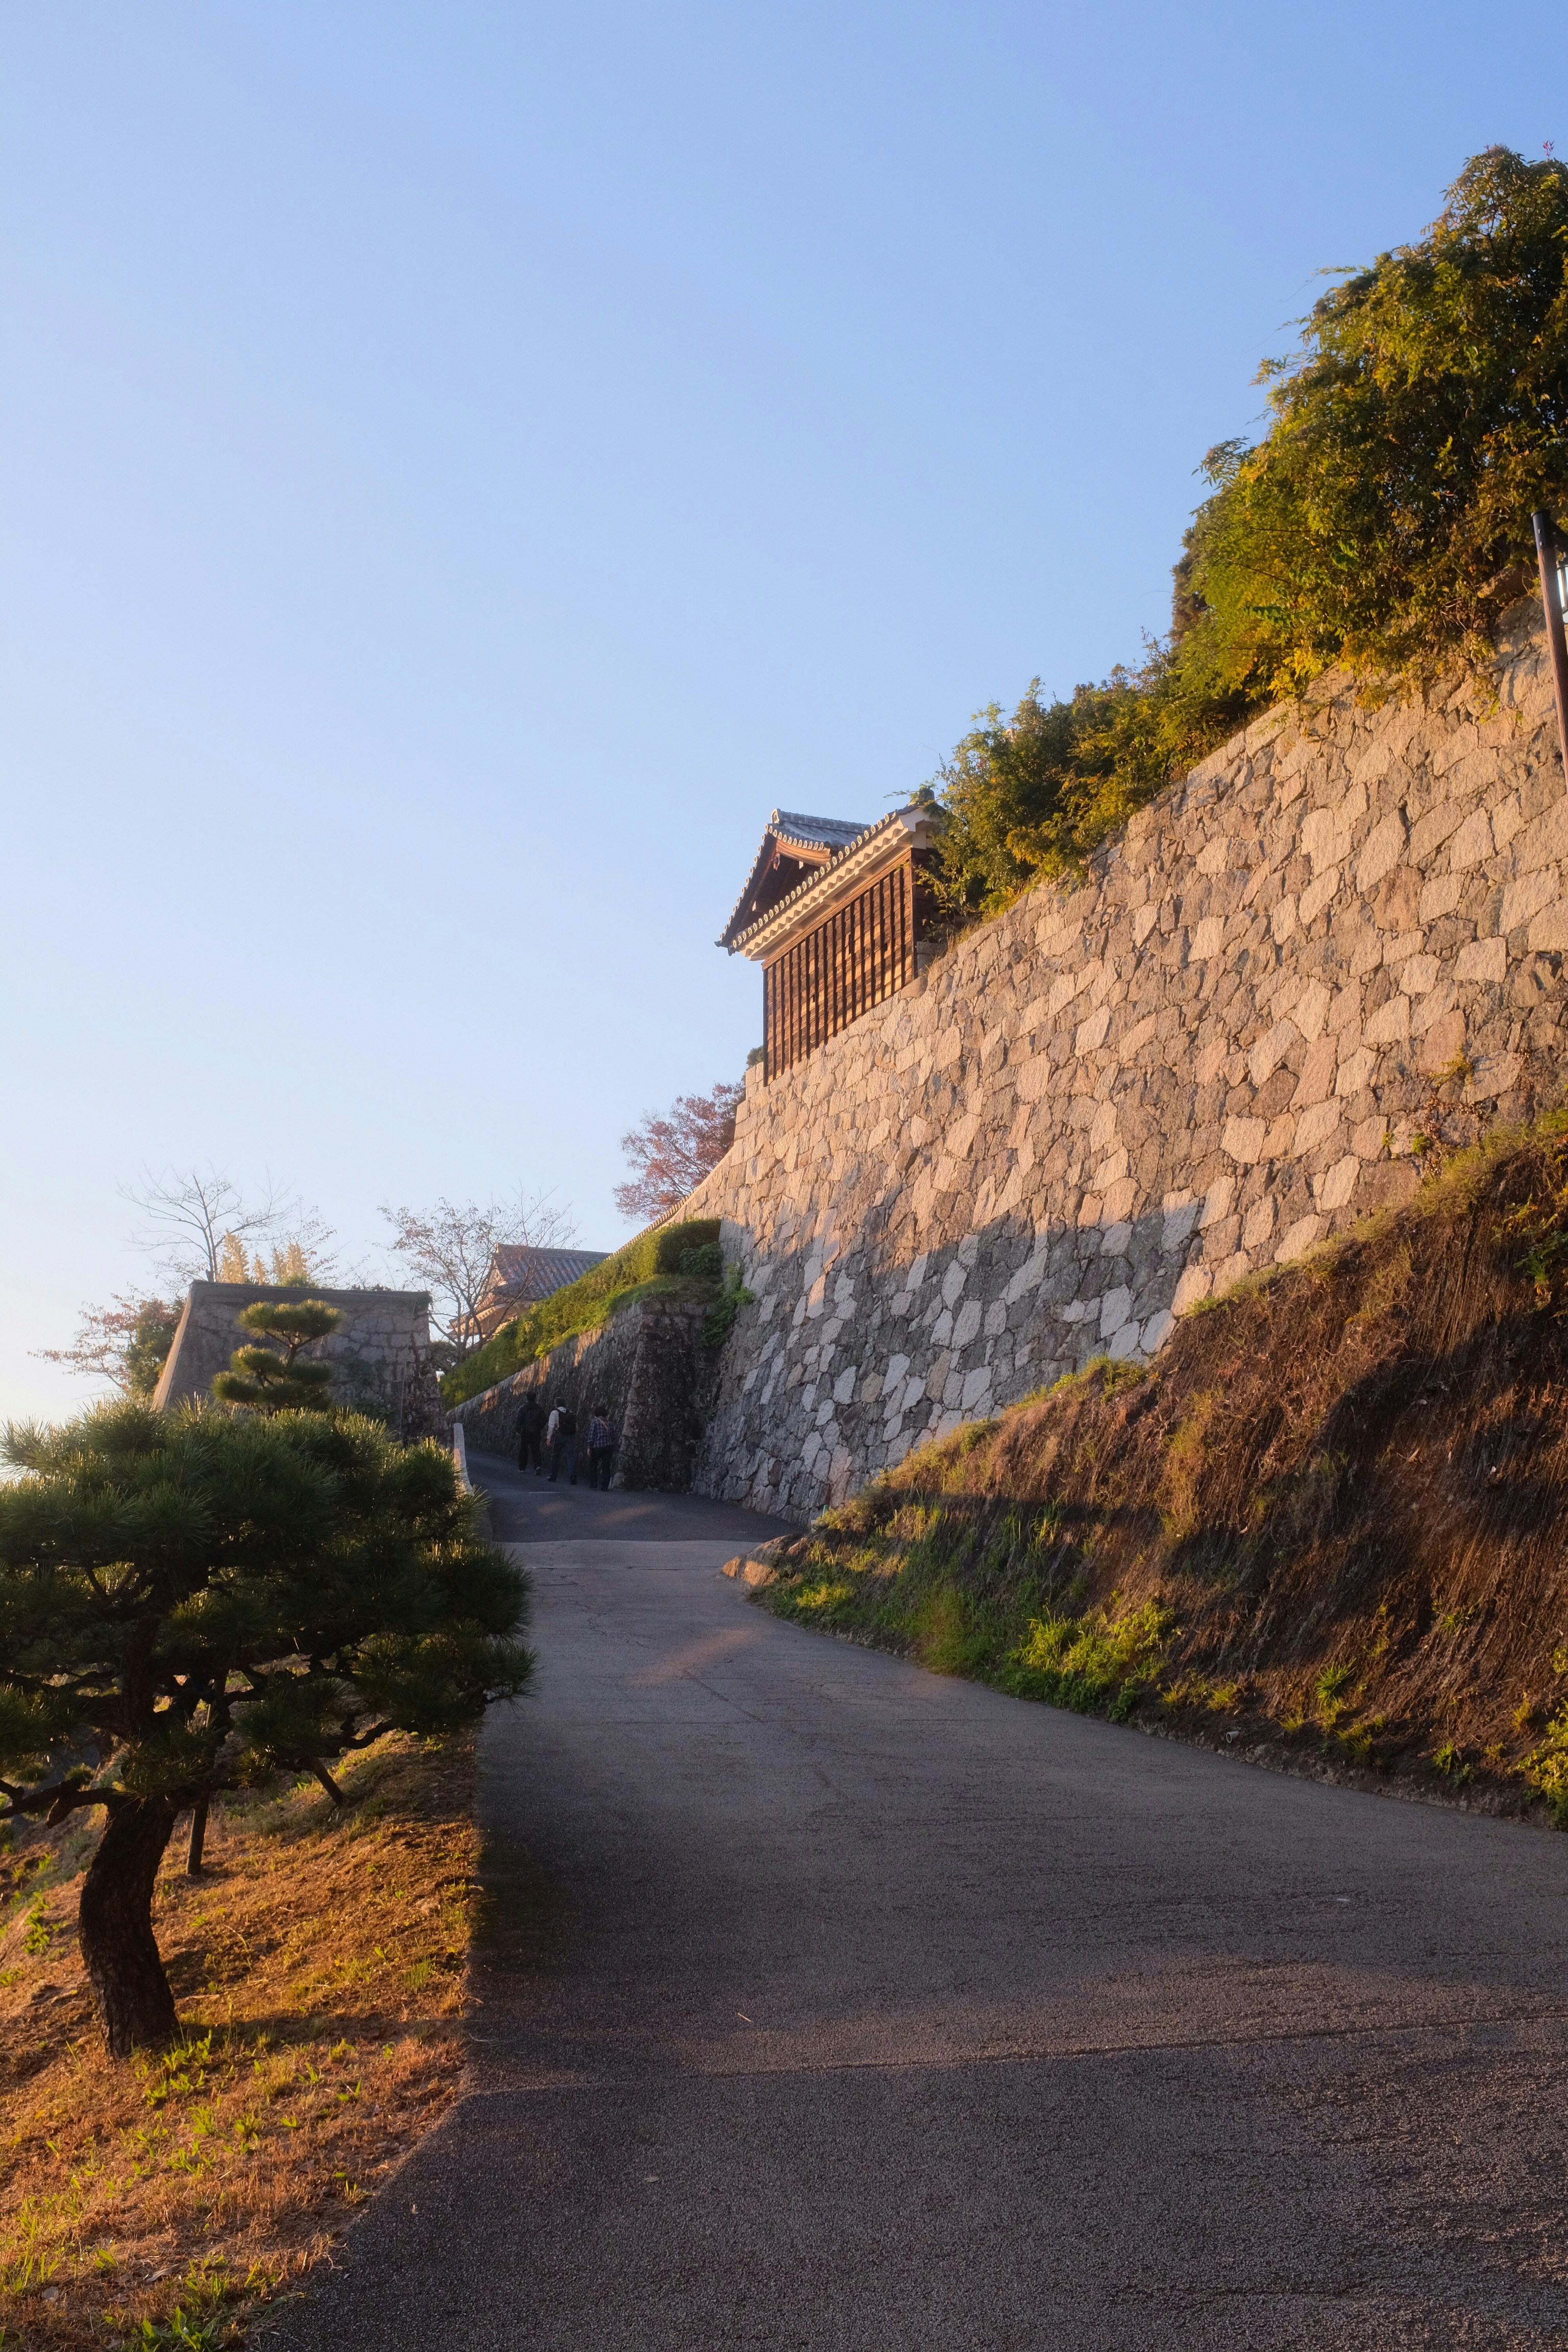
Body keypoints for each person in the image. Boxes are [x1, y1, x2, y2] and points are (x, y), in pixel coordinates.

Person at [546, 1400, 578, 1485]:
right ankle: (573, 1476)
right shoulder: (570, 1413)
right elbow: (575, 1426)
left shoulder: (555, 1413)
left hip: (559, 1436)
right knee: (570, 1456)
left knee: (556, 1456)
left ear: (556, 1404)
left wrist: (549, 1438)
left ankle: (553, 1476)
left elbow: (551, 1426)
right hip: (569, 1437)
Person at [586, 1405, 617, 1491]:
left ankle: (594, 1483)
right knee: (606, 1466)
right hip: (608, 1447)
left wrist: (589, 1447)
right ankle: (605, 1486)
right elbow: (613, 1436)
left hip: (597, 1446)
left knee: (593, 1464)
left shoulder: (594, 1422)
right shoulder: (610, 1423)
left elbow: (592, 1435)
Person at [516, 1394, 545, 1475]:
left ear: (527, 1398)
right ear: (535, 1398)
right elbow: (544, 1419)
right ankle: (537, 1466)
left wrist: (518, 1430)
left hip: (525, 1431)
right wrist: (540, 1427)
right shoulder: (539, 1408)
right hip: (536, 1431)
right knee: (536, 1449)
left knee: (524, 1449)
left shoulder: (523, 1408)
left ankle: (522, 1468)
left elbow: (519, 1419)